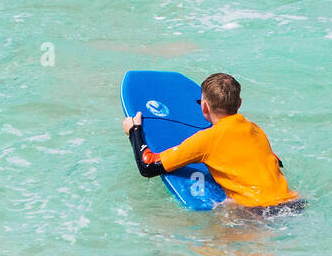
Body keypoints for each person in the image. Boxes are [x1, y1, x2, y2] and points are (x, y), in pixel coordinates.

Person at [122, 72, 303, 213]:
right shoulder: (255, 129)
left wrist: (134, 131)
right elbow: (275, 161)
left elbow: (148, 166)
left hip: (257, 213)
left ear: (204, 106)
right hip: (294, 203)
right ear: (239, 103)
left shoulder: (207, 139)